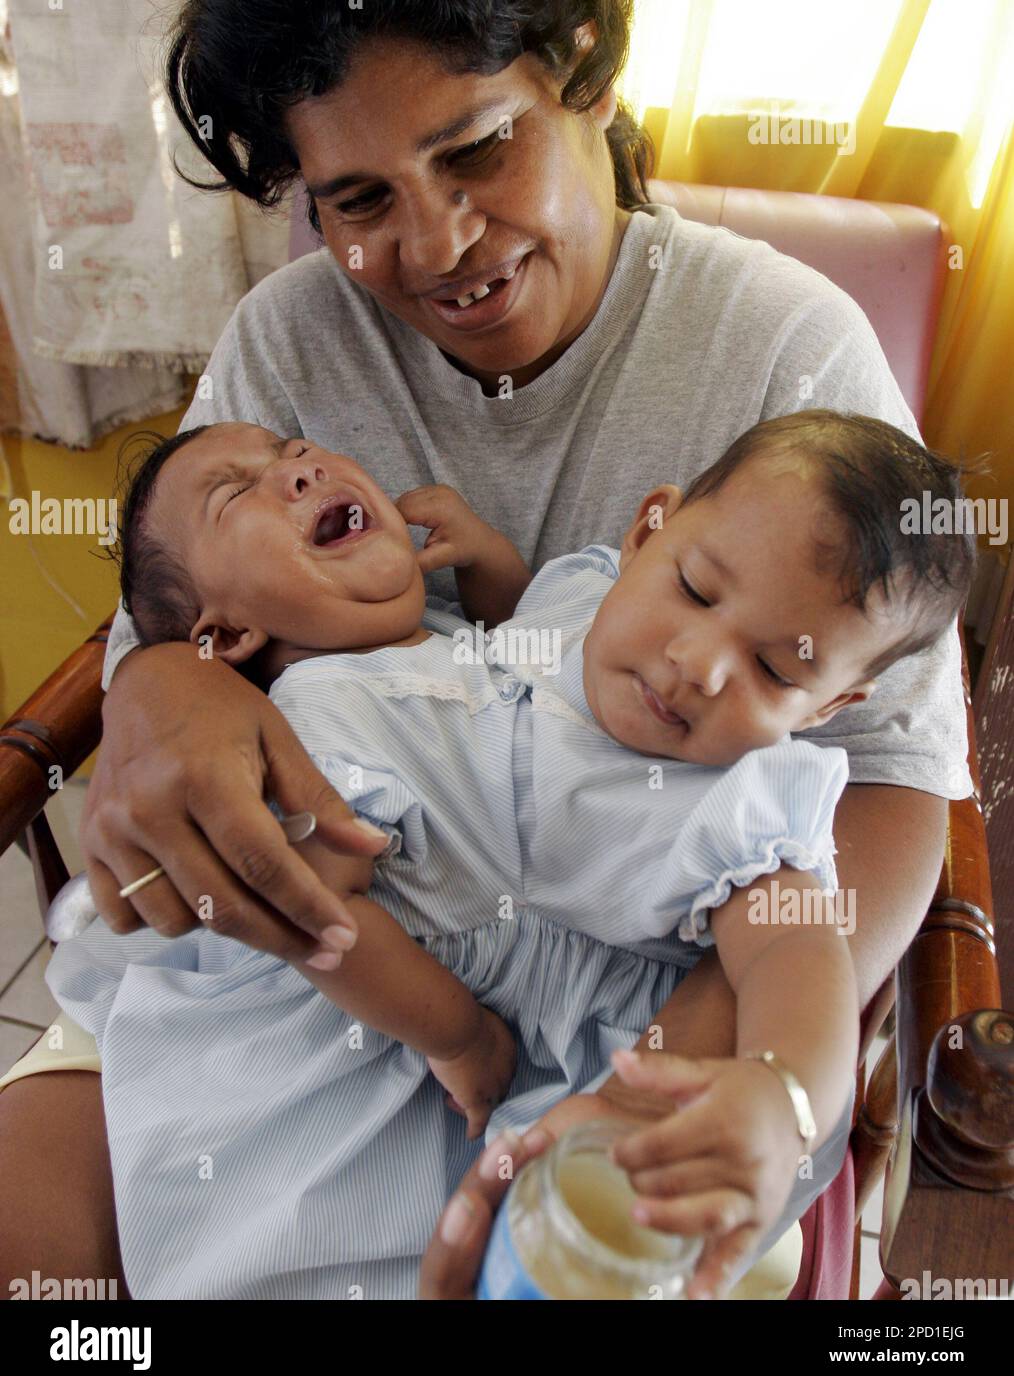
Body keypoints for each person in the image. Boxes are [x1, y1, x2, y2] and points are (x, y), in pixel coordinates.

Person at [0, 1, 969, 1293]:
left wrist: (699, 1056)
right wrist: (161, 683)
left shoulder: (783, 353)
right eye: (358, 200)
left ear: (589, 81)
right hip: (250, 980)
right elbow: (165, 622)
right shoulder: (290, 338)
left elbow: (887, 786)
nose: (440, 243)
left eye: (476, 152)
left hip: (630, 987)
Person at [39, 409, 973, 1299]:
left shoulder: (714, 777)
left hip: (571, 1091)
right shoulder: (308, 721)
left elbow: (798, 947)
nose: (698, 662)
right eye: (240, 489)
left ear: (822, 712)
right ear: (646, 535)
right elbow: (318, 912)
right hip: (382, 1037)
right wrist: (458, 1032)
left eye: (777, 669)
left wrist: (781, 1094)